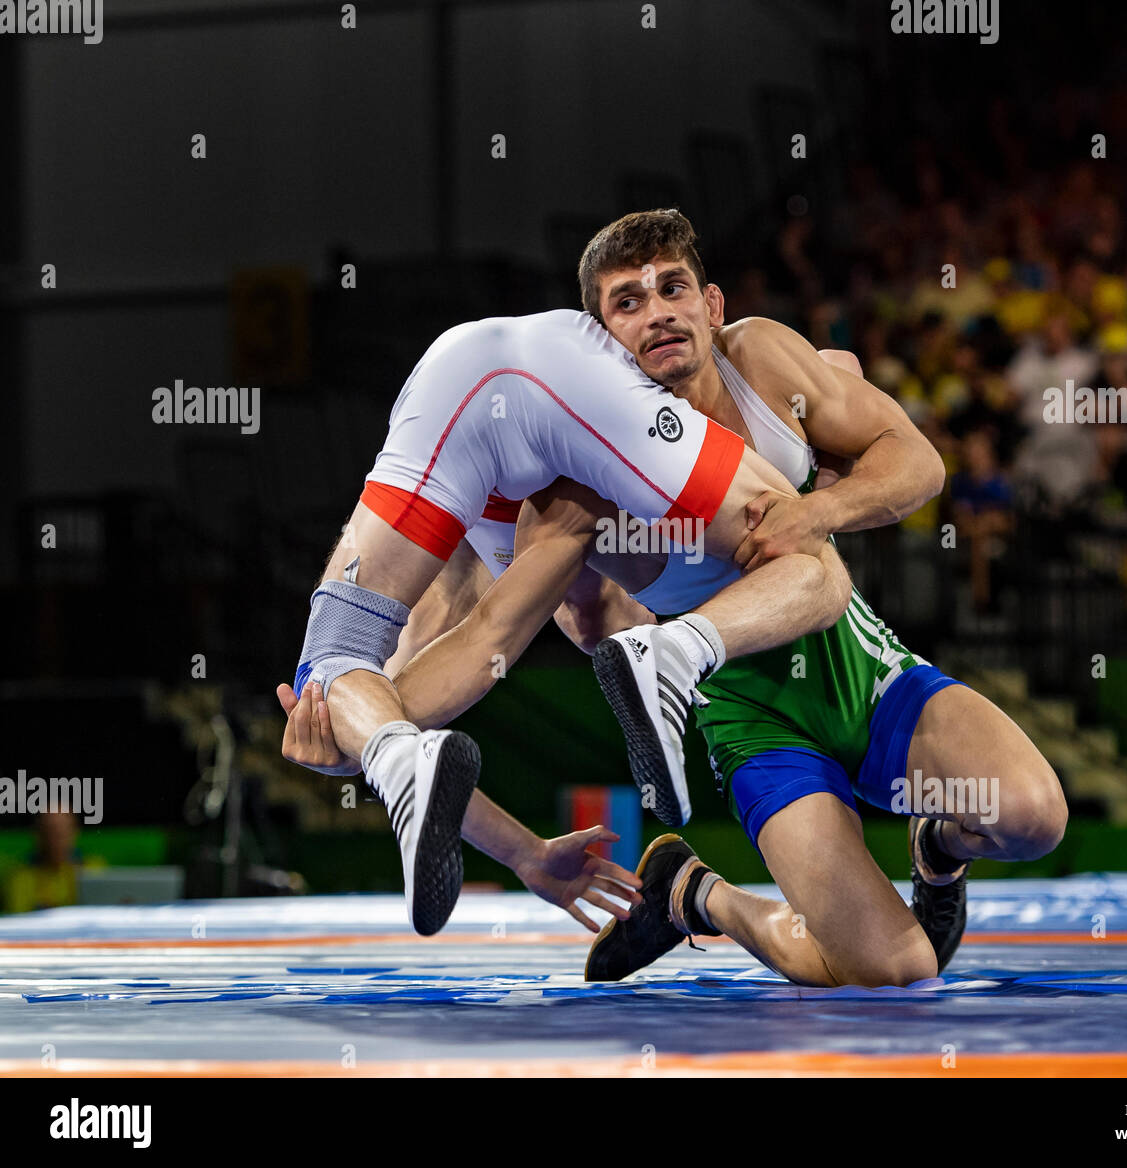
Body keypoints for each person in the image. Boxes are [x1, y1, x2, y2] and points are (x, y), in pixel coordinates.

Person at [285, 210, 1066, 986]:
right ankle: (695, 894)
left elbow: (918, 464)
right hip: (748, 714)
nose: (657, 313)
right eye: (627, 303)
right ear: (601, 344)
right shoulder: (577, 486)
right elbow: (505, 632)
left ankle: (937, 850)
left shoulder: (764, 359)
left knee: (1035, 818)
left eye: (673, 289)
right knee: (893, 968)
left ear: (713, 304)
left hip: (861, 666)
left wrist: (820, 507)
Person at [285, 306, 853, 936]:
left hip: (452, 376)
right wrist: (828, 482)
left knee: (341, 670)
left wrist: (365, 749)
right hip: (561, 393)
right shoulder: (596, 512)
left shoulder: (534, 542)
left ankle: (380, 755)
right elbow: (486, 647)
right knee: (816, 567)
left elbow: (416, 743)